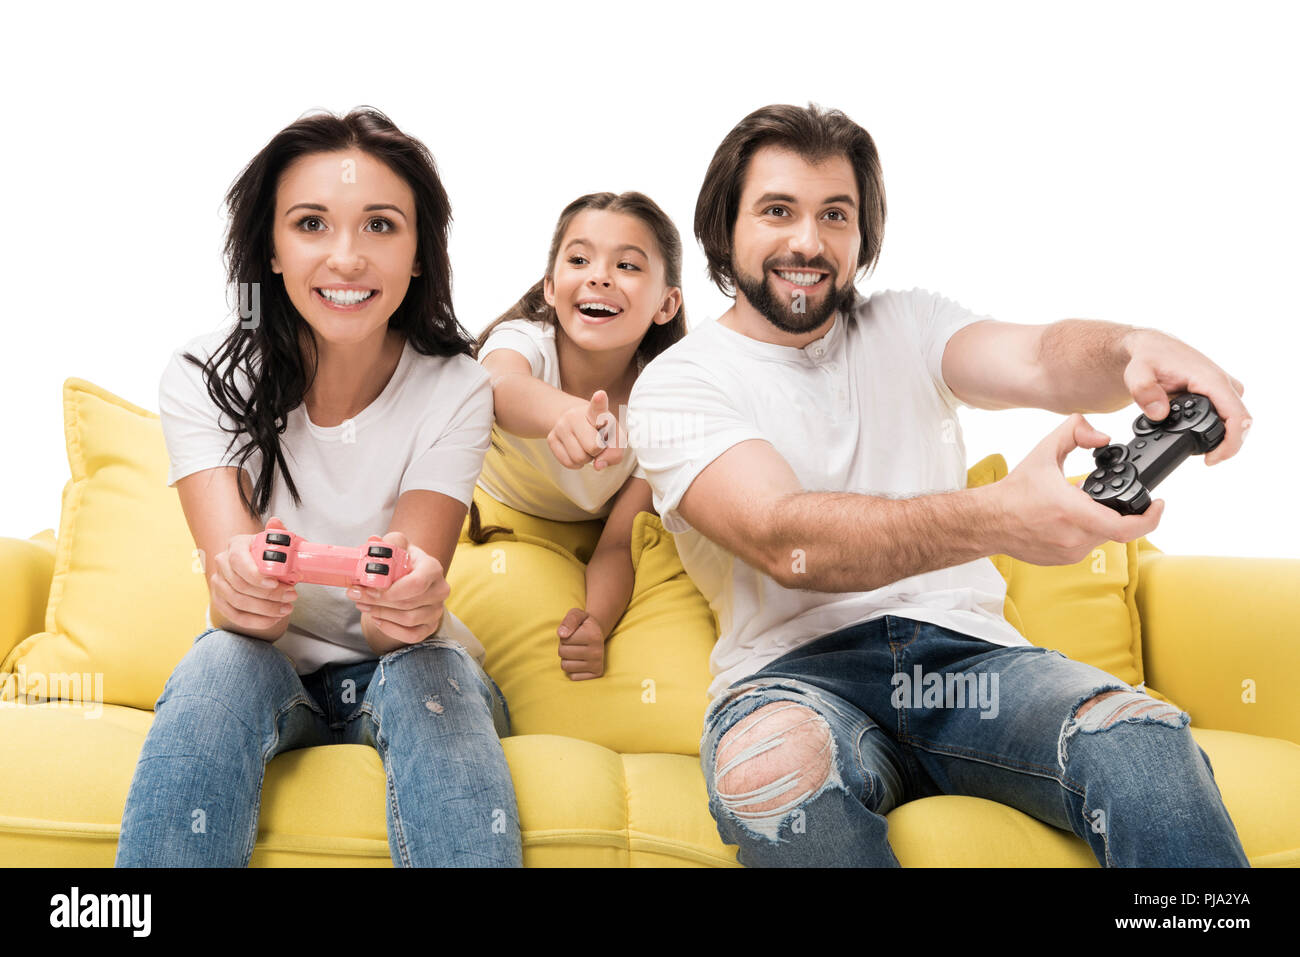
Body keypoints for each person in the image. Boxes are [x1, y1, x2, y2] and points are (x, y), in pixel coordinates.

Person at [628, 102, 1253, 867]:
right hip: (797, 677)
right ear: (724, 229)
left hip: (971, 668)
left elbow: (1041, 358)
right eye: (777, 210)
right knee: (773, 770)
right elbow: (784, 538)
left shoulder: (910, 324)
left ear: (862, 236)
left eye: (836, 214)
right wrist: (995, 518)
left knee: (1139, 738)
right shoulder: (676, 385)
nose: (808, 240)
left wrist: (1133, 347)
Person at [116, 107, 521, 867]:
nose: (346, 258)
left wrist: (405, 603)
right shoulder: (201, 378)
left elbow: (390, 629)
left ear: (420, 255)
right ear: (270, 249)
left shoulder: (459, 388)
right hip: (260, 665)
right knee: (221, 658)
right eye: (310, 224)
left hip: (405, 661)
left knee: (424, 666)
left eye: (379, 226)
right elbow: (242, 612)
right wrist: (242, 591)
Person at [467, 192, 685, 680]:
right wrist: (566, 414)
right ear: (550, 287)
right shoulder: (525, 341)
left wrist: (597, 623)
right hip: (486, 511)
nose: (599, 275)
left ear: (667, 303)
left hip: (587, 534)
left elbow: (616, 544)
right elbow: (501, 386)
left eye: (627, 265)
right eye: (580, 259)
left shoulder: (662, 403)